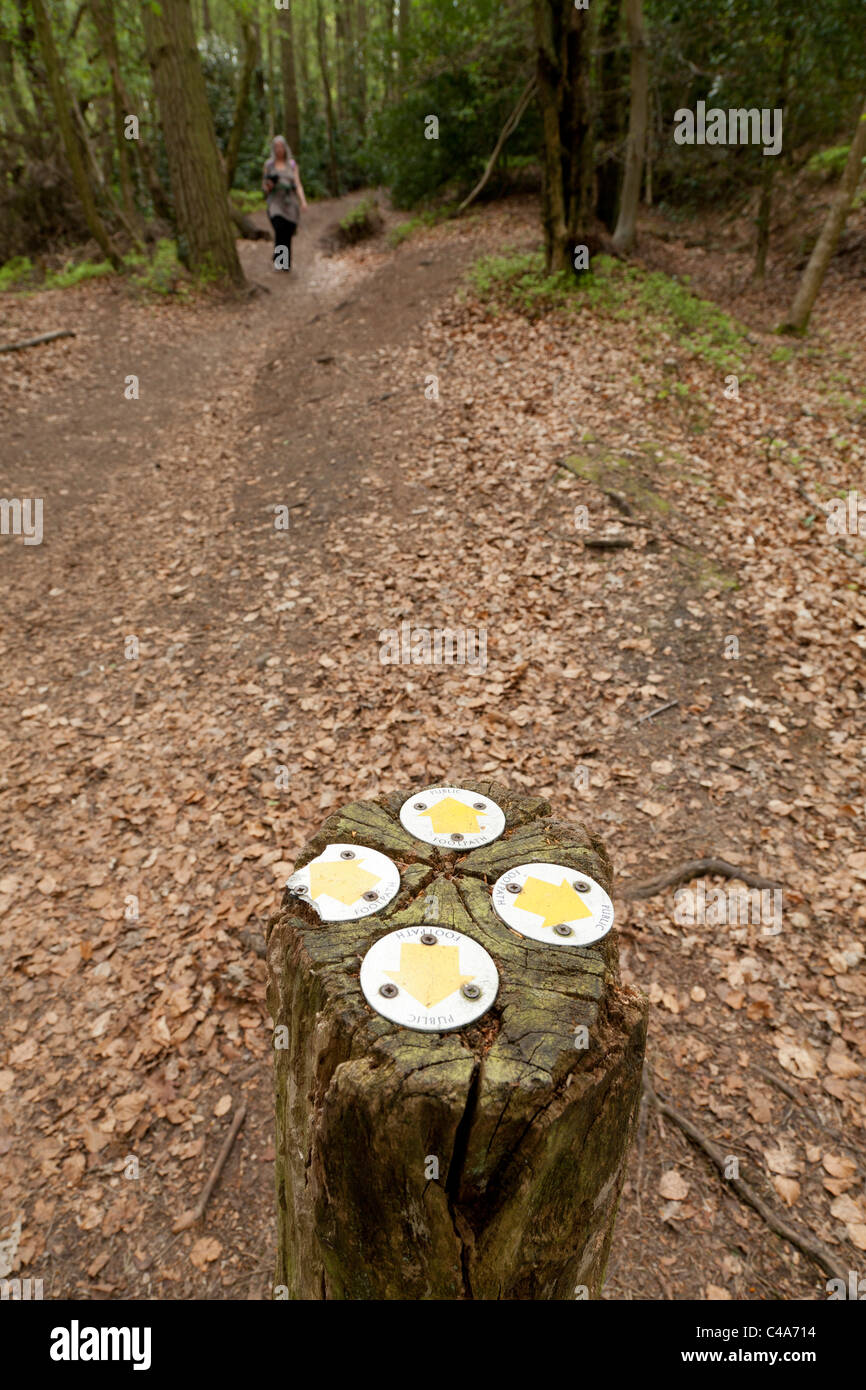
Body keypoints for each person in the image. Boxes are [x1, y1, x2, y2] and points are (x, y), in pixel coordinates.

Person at [262, 135, 308, 271]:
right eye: (276, 147)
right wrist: (269, 185)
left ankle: (285, 262)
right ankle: (280, 261)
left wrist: (303, 201)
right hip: (275, 201)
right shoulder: (268, 165)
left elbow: (298, 184)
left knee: (288, 231)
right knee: (279, 228)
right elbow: (264, 186)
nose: (279, 149)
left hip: (290, 201)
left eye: (281, 146)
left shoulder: (292, 164)